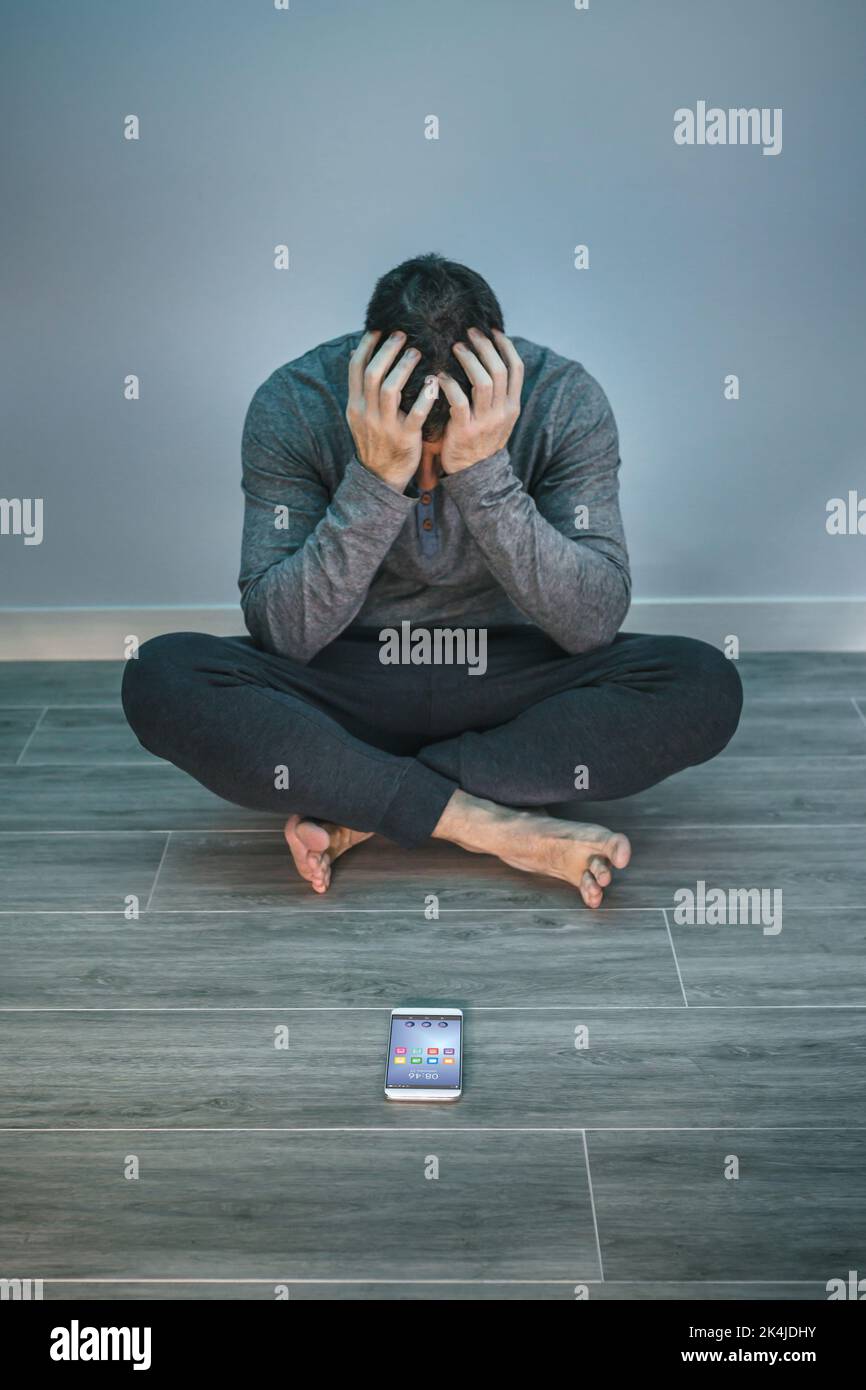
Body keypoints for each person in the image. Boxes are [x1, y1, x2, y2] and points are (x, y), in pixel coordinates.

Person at [122, 254, 742, 906]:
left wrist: (484, 474)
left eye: (441, 457)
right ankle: (491, 824)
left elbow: (590, 625)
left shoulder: (566, 400)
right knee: (162, 675)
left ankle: (371, 803)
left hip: (514, 678)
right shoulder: (294, 402)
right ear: (366, 375)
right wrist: (374, 480)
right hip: (345, 679)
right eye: (418, 451)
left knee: (703, 683)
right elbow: (286, 636)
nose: (428, 478)